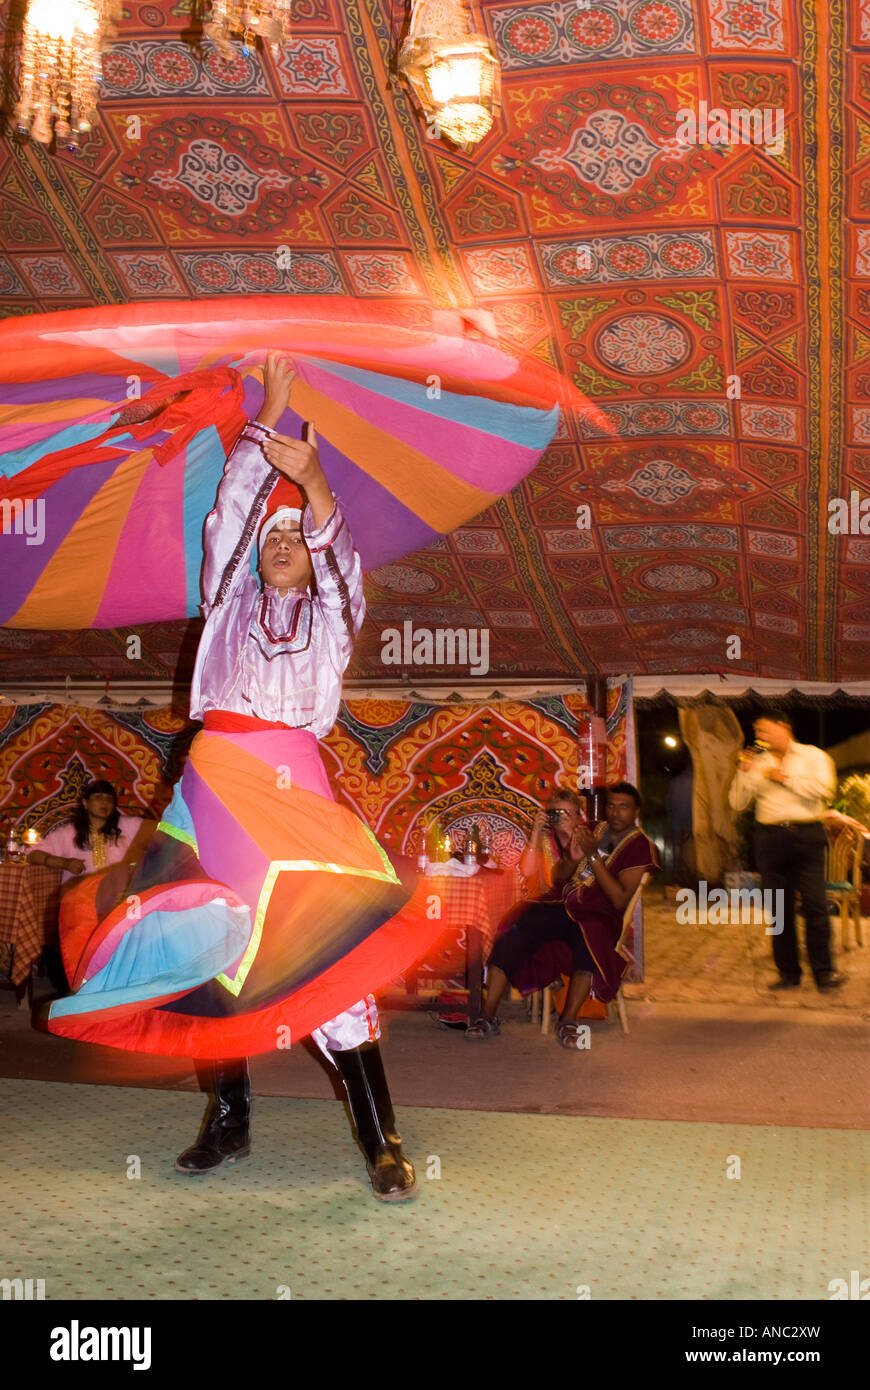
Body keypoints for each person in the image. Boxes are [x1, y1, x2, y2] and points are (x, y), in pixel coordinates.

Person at [47, 353, 435, 1201]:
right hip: (213, 790)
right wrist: (277, 406)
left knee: (328, 955)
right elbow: (230, 520)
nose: (287, 545)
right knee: (206, 956)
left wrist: (317, 483)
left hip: (293, 799)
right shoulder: (225, 605)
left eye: (298, 538)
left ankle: (384, 1139)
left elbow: (341, 562)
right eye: (277, 540)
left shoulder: (333, 621)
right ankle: (229, 1124)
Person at [467, 785, 658, 1047]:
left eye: (623, 806)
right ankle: (487, 1016)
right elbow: (558, 877)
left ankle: (568, 1022)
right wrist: (571, 857)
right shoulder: (592, 829)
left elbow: (619, 899)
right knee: (515, 924)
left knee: (588, 935)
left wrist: (592, 855)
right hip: (563, 903)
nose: (615, 812)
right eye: (611, 805)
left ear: (636, 812)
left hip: (600, 914)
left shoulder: (641, 846)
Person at [728, 711, 846, 992]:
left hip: (806, 835)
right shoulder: (756, 762)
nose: (760, 737)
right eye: (757, 732)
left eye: (765, 730)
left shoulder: (813, 757)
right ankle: (788, 974)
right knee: (779, 910)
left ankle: (824, 973)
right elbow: (736, 803)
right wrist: (743, 774)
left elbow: (824, 790)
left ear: (784, 727)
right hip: (770, 838)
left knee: (816, 906)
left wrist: (783, 778)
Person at [28, 780, 142, 886]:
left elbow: (159, 830)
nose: (104, 802)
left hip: (121, 899)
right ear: (85, 803)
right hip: (80, 900)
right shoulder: (68, 833)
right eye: (98, 797)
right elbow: (32, 854)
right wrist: (65, 863)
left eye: (109, 799)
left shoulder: (128, 825)